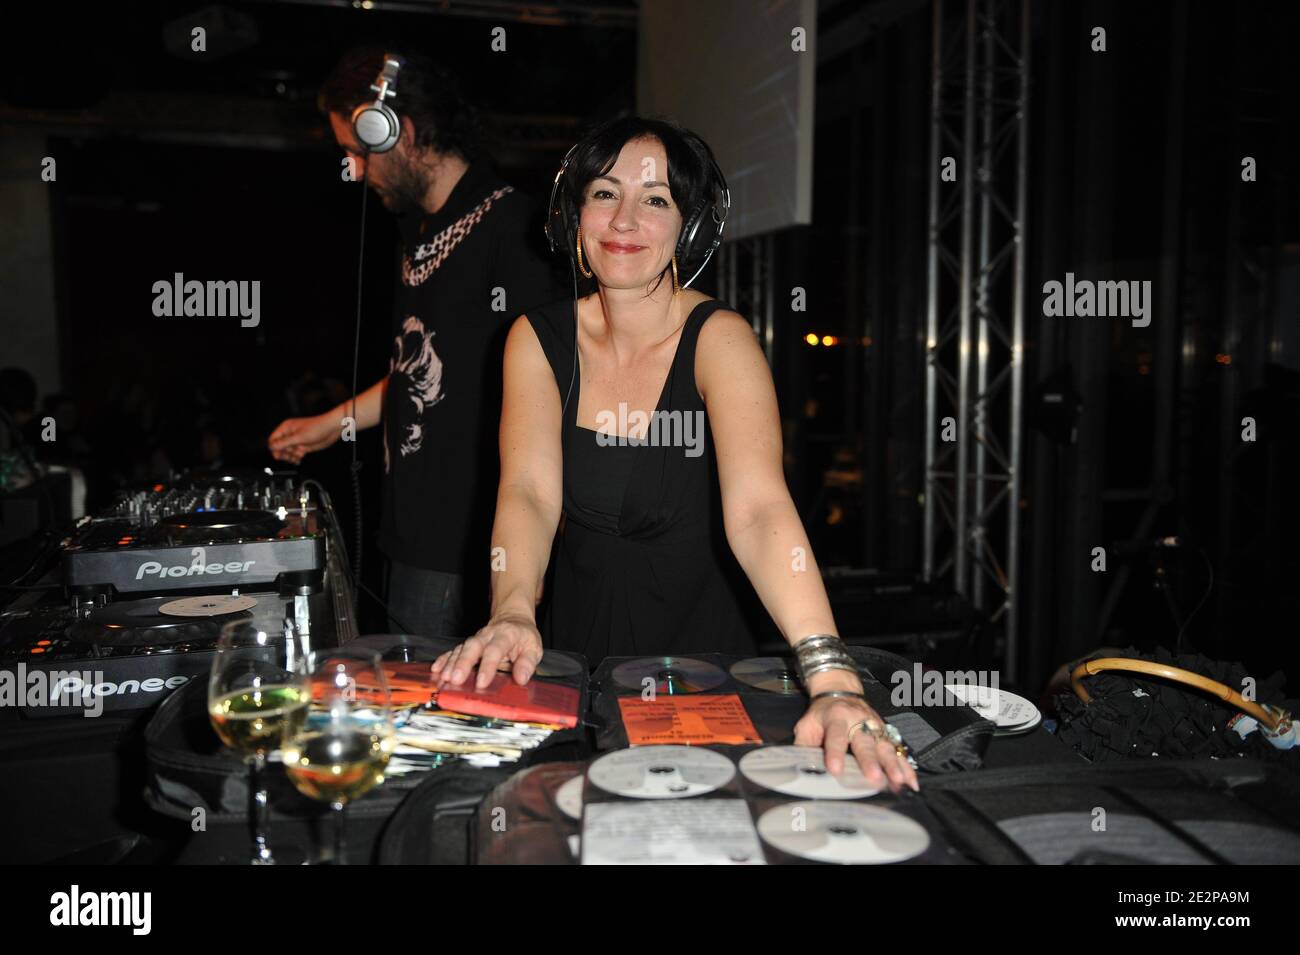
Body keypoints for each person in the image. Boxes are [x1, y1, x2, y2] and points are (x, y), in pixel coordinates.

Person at [432, 117, 919, 793]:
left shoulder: (720, 340)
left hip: (703, 675)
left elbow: (757, 509)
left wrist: (831, 674)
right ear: (573, 215)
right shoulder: (535, 339)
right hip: (577, 659)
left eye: (656, 199)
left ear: (688, 228)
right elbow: (529, 492)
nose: (624, 218)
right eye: (604, 193)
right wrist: (513, 607)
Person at [268, 48, 560, 637]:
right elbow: (424, 367)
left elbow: (552, 395)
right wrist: (334, 422)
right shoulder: (417, 234)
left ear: (401, 133)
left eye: (357, 151)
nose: (352, 170)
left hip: (467, 543)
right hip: (408, 528)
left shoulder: (514, 231)